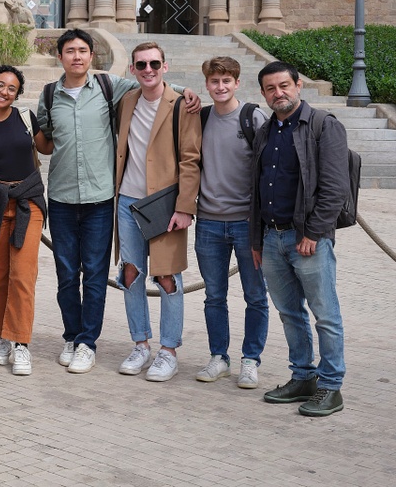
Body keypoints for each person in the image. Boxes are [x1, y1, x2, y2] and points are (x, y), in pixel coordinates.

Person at [36, 29, 198, 375]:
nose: (77, 56)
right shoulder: (50, 95)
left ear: (92, 56)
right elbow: (45, 141)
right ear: (60, 56)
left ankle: (97, 344)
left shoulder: (111, 88)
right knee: (83, 273)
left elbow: (160, 93)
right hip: (76, 197)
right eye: (70, 51)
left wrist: (189, 92)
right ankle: (81, 337)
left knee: (112, 275)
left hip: (116, 199)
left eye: (83, 50)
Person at [251, 61, 349, 417]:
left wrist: (314, 231)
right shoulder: (265, 131)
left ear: (298, 85)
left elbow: (334, 187)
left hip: (307, 239)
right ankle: (303, 376)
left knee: (325, 314)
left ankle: (330, 386)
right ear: (263, 93)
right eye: (270, 89)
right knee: (290, 313)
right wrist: (256, 240)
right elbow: (256, 190)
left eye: (284, 86)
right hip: (271, 237)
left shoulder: (324, 126)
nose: (278, 93)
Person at [114, 42, 201, 382]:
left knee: (167, 277)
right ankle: (140, 344)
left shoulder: (183, 106)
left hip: (165, 205)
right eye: (141, 65)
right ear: (133, 69)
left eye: (154, 63)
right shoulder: (127, 101)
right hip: (127, 202)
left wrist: (185, 207)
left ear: (165, 66)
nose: (147, 69)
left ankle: (168, 351)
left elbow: (192, 160)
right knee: (130, 274)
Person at [194, 56, 269, 388]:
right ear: (207, 84)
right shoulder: (203, 117)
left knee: (255, 295)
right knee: (214, 295)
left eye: (226, 81)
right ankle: (218, 357)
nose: (220, 87)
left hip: (247, 223)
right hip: (209, 221)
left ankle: (250, 360)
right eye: (214, 81)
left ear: (237, 83)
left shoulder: (253, 117)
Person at [0, 66, 46, 376]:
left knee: (22, 274)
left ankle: (21, 344)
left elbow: (49, 145)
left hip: (27, 202)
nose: (4, 91)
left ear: (18, 94)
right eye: (0, 85)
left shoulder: (26, 119)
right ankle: (4, 336)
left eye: (12, 88)